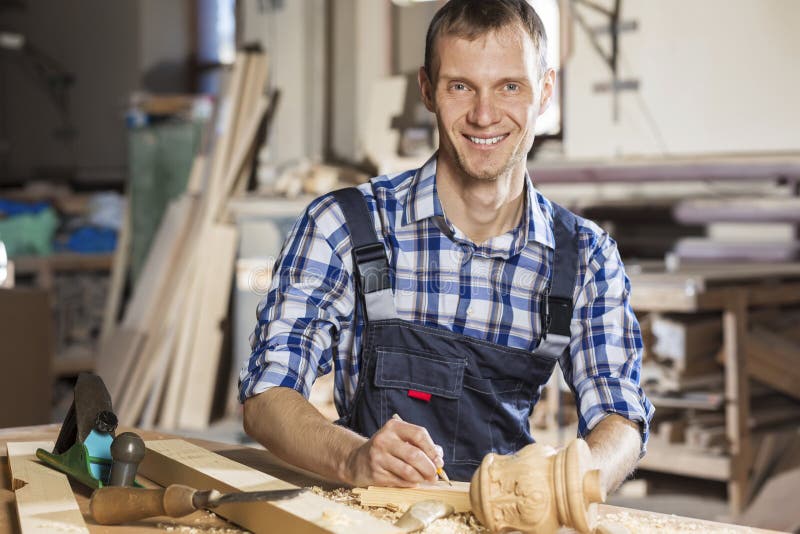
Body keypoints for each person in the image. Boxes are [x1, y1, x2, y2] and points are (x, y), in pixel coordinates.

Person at [239, 0, 653, 493]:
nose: (484, 115)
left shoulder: (585, 259)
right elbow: (267, 395)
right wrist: (353, 458)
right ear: (428, 90)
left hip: (501, 520)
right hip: (370, 516)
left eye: (510, 87)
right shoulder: (345, 226)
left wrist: (572, 486)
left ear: (544, 92)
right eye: (461, 86)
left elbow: (620, 416)